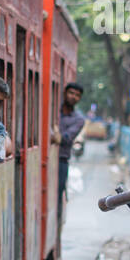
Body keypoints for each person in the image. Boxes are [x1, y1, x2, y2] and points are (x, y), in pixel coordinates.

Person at [55, 81, 85, 210]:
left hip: (61, 160)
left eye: (77, 95)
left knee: (57, 196)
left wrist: (57, 135)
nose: (73, 97)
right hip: (46, 157)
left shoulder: (79, 119)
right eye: (71, 93)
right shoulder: (54, 110)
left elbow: (64, 139)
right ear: (65, 93)